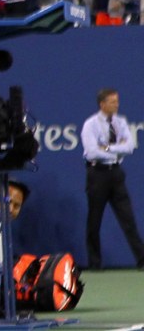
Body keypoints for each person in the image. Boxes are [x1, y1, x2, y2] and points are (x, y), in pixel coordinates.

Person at [80, 88, 144, 270]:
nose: (117, 104)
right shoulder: (90, 124)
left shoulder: (120, 122)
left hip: (116, 174)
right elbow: (92, 151)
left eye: (117, 101)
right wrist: (117, 147)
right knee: (95, 221)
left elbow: (130, 147)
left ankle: (142, 259)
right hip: (97, 175)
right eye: (113, 101)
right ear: (102, 104)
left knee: (128, 219)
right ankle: (95, 263)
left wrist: (107, 148)